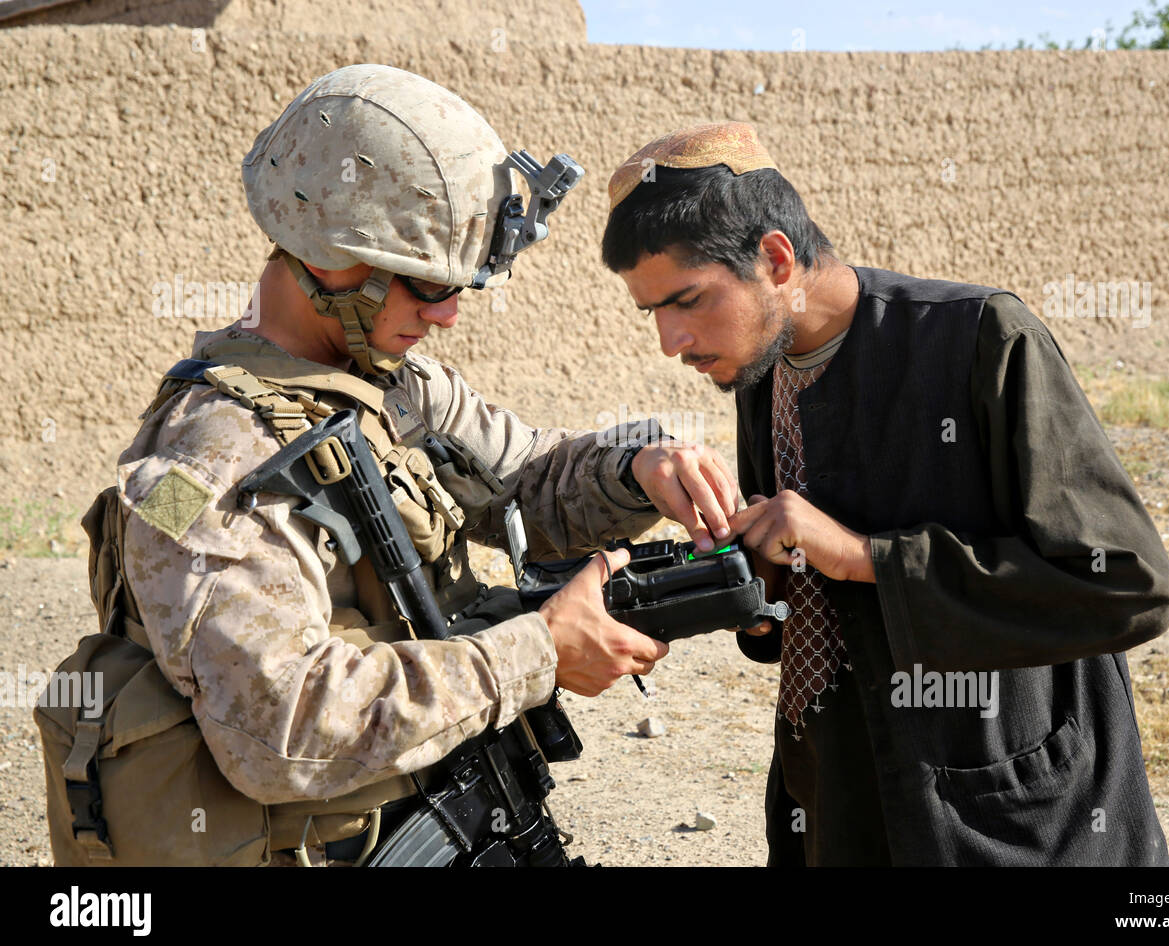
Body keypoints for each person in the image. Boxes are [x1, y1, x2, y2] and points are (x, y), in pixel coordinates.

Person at [39, 66, 738, 867]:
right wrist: (537, 653)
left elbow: (527, 486)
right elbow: (280, 727)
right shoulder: (210, 460)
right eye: (429, 285)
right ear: (330, 258)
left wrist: (638, 469)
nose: (446, 314)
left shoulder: (391, 388)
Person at [600, 122, 1169, 866]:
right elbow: (807, 610)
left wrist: (865, 556)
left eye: (687, 301)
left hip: (1007, 818)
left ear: (776, 259)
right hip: (835, 798)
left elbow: (1129, 585)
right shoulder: (758, 367)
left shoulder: (979, 340)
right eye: (653, 313)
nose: (670, 342)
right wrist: (746, 582)